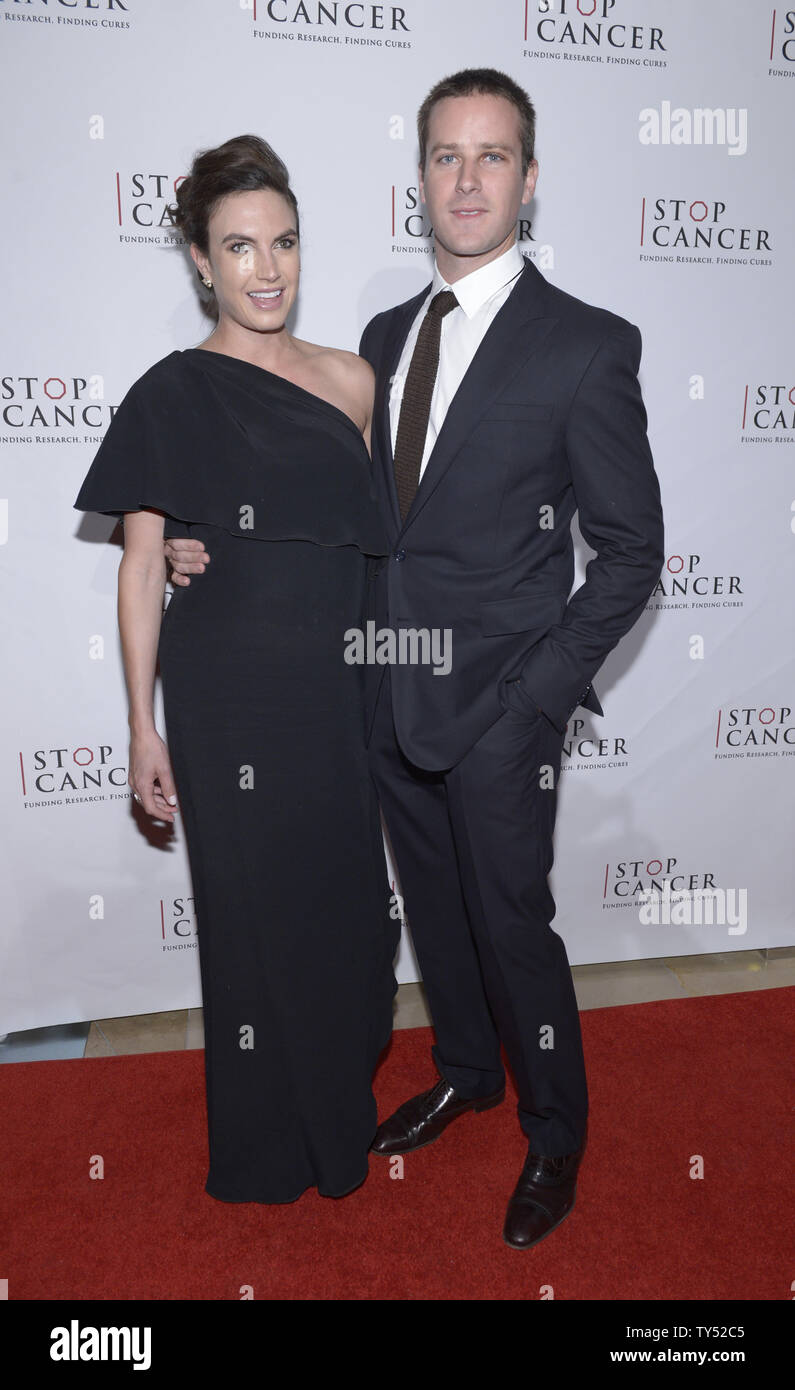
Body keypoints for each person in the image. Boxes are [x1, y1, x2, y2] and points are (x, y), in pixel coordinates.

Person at [166, 70, 665, 1249]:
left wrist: (539, 695)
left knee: (511, 925)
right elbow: (315, 500)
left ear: (529, 181)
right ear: (421, 180)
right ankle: (465, 1073)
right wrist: (191, 535)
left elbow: (634, 553)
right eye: (448, 156)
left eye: (493, 157)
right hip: (384, 688)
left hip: (503, 707)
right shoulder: (385, 339)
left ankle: (554, 1130)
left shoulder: (586, 347)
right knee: (433, 914)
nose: (468, 178)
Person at [74, 134, 400, 1205]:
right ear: (203, 264)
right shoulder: (171, 393)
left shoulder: (354, 382)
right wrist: (141, 723)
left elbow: (376, 546)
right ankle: (265, 1149)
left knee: (347, 910)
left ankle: (337, 1110)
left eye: (285, 242)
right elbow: (136, 569)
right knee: (254, 919)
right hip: (228, 699)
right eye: (240, 248)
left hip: (339, 685)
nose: (268, 269)